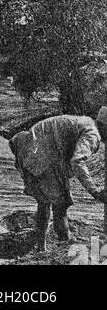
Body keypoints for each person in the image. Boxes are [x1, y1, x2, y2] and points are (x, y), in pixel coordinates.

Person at [9, 107, 107, 250]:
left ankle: (42, 248)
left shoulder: (86, 122)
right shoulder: (92, 134)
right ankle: (63, 246)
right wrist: (94, 191)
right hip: (41, 155)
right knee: (61, 203)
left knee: (45, 202)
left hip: (30, 149)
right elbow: (77, 161)